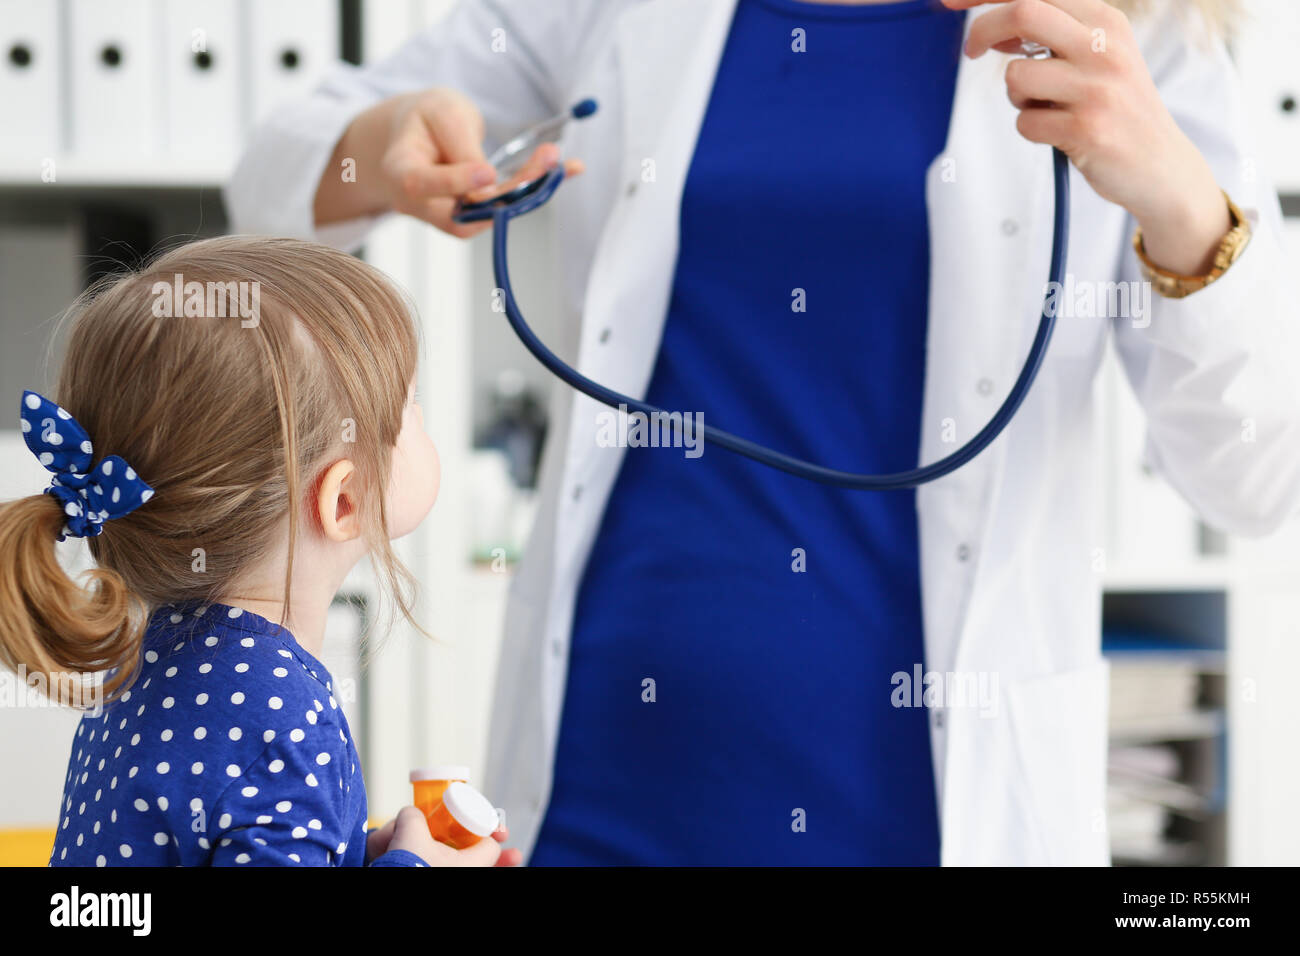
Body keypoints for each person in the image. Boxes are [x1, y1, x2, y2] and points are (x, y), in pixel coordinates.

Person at [227, 0, 1300, 864]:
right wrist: (377, 149)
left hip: (936, 813)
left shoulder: (1144, 33)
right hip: (601, 782)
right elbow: (277, 168)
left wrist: (1177, 197)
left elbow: (1254, 476)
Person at [0, 236, 518, 867]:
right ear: (345, 500)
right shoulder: (284, 718)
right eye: (408, 407)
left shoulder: (142, 668)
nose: (421, 420)